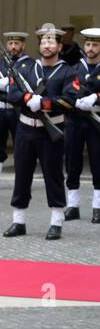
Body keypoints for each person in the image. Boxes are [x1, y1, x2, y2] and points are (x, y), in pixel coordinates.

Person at [4, 23, 72, 240]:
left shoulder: (67, 72)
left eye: (51, 41)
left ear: (60, 46)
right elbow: (12, 93)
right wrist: (26, 98)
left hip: (50, 131)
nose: (46, 45)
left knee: (53, 176)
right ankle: (18, 220)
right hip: (25, 128)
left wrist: (44, 103)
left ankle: (56, 222)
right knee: (22, 175)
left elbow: (70, 100)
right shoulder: (26, 68)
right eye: (43, 41)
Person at [63, 27, 100, 223]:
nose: (91, 48)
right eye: (88, 44)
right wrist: (73, 101)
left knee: (98, 164)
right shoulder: (75, 68)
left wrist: (97, 97)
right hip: (76, 120)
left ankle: (97, 207)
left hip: (96, 122)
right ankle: (73, 205)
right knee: (72, 162)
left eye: (95, 44)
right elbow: (68, 89)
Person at [0, 30, 30, 191]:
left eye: (16, 43)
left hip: (17, 109)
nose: (13, 47)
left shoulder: (28, 64)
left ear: (23, 45)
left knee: (21, 145)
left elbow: (27, 86)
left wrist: (10, 84)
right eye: (10, 43)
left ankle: (22, 179)